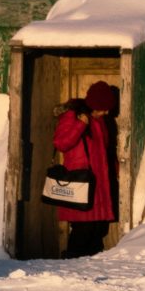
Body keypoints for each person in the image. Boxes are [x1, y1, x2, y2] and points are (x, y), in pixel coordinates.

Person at [51, 80, 118, 257]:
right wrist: (80, 125)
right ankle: (70, 267)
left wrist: (114, 171)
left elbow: (105, 150)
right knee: (82, 230)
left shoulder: (101, 121)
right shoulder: (73, 116)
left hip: (99, 183)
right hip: (80, 182)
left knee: (98, 231)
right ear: (94, 105)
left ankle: (90, 271)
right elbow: (61, 143)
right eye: (103, 108)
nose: (107, 112)